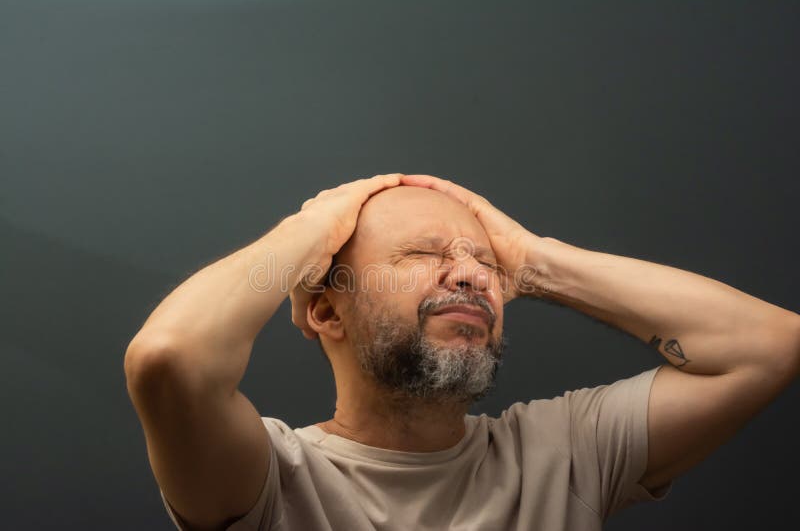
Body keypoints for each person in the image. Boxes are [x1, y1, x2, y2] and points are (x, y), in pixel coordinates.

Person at [124, 173, 800, 530]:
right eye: (421, 254)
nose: (472, 274)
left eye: (484, 263)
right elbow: (169, 358)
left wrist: (535, 261)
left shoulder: (565, 456)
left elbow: (771, 345)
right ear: (327, 311)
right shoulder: (269, 482)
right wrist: (309, 231)